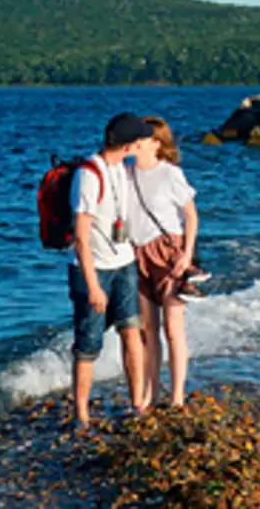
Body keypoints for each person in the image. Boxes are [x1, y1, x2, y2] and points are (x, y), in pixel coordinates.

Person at [69, 112, 153, 428]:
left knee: (132, 331)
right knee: (88, 344)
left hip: (124, 262)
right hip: (93, 269)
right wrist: (93, 286)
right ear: (128, 143)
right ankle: (80, 414)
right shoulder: (89, 175)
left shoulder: (123, 169)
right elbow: (80, 236)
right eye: (139, 139)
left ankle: (137, 405)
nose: (142, 143)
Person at [128, 116, 202, 408]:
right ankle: (151, 393)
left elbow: (191, 215)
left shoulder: (170, 173)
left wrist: (186, 254)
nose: (135, 141)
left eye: (142, 137)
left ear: (156, 144)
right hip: (135, 252)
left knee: (173, 328)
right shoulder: (125, 171)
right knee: (148, 330)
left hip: (168, 251)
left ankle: (177, 396)